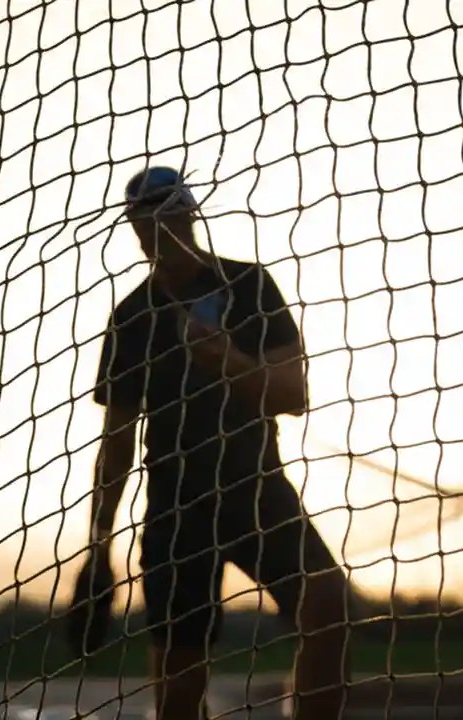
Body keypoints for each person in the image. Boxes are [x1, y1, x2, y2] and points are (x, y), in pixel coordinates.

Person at [69, 166, 351, 719]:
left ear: (190, 215)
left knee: (328, 603)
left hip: (255, 489)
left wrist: (225, 357)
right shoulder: (132, 317)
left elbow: (292, 395)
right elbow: (118, 438)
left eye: (170, 213)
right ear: (134, 228)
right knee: (179, 684)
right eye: (146, 218)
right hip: (177, 507)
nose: (159, 228)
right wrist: (99, 544)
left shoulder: (246, 287)